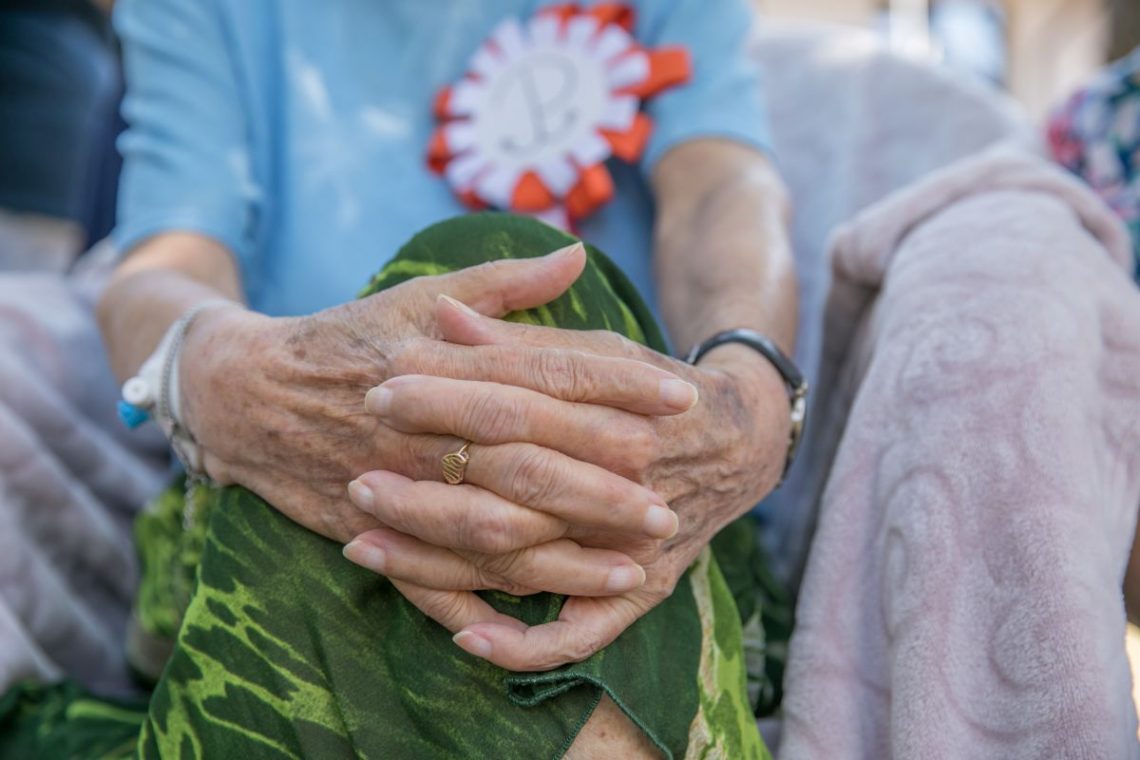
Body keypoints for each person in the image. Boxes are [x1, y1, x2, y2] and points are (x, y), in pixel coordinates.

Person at [89, 0, 798, 756]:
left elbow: (723, 189)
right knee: (481, 266)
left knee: (533, 287)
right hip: (316, 479)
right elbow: (164, 263)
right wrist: (240, 378)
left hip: (631, 498)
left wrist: (751, 392)